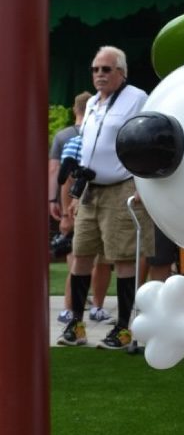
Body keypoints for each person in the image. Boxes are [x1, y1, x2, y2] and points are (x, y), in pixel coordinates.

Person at [57, 46, 154, 350]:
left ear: (121, 72)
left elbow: (149, 139)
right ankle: (75, 324)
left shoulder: (137, 98)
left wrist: (144, 184)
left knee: (124, 257)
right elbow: (87, 147)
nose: (99, 74)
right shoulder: (94, 104)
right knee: (81, 254)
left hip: (122, 187)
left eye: (106, 69)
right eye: (95, 69)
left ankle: (124, 329)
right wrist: (75, 191)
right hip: (90, 189)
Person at [49, 91, 112, 323]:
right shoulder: (74, 139)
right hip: (84, 205)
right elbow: (65, 177)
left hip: (94, 205)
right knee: (86, 258)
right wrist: (66, 211)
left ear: (75, 109)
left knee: (89, 259)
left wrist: (54, 203)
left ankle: (82, 307)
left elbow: (56, 173)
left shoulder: (65, 135)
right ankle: (81, 307)